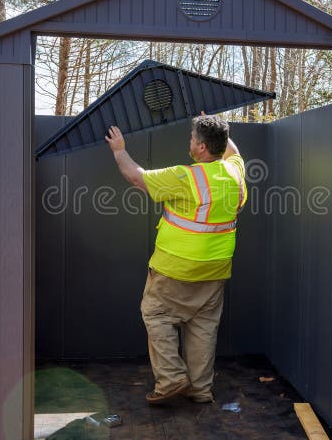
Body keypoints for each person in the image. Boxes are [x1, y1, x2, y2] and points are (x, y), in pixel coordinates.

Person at [105, 113, 247, 404]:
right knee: (203, 327)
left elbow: (136, 176)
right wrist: (215, 126)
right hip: (217, 268)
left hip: (176, 266)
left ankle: (170, 380)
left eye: (193, 138)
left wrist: (119, 150)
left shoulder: (187, 177)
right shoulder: (235, 171)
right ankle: (200, 390)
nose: (190, 141)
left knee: (155, 314)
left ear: (201, 148)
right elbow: (234, 151)